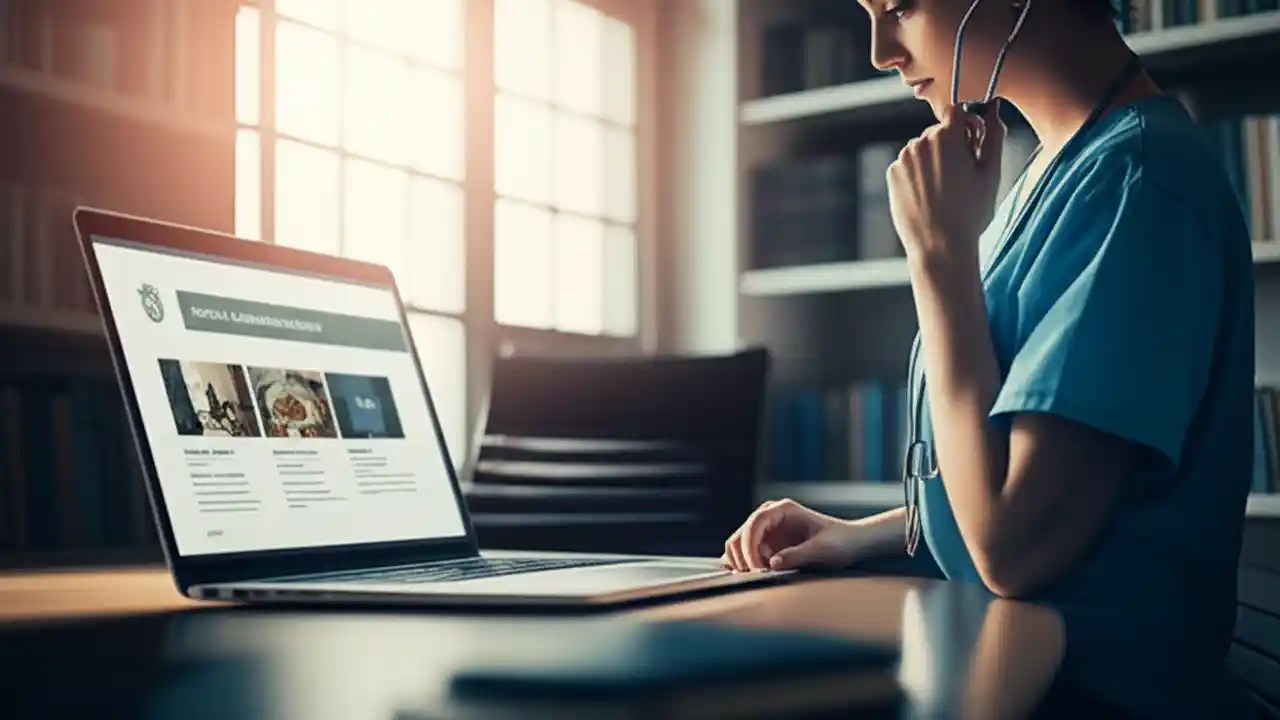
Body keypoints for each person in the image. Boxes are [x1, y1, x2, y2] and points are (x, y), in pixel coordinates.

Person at [722, 0, 1254, 659]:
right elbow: (1070, 497)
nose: (880, 51)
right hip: (1010, 664)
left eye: (900, 7)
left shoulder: (1138, 184)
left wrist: (939, 260)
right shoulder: (1056, 172)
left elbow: (1014, 548)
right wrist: (873, 534)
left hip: (1090, 694)